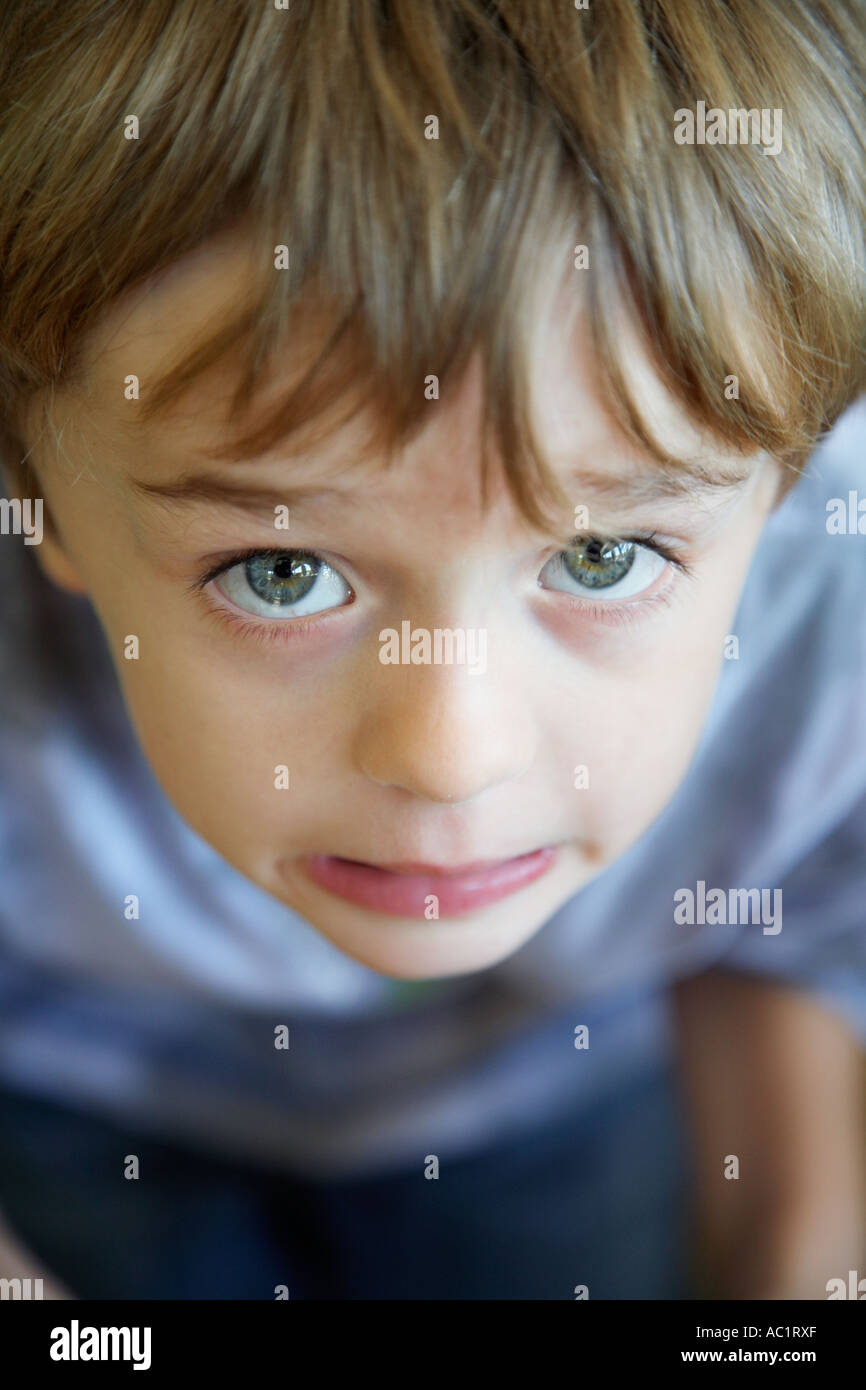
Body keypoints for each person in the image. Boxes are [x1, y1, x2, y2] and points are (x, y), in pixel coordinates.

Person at [0, 0, 864, 1300]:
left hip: (545, 1084)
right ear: (39, 499)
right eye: (282, 572)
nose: (450, 757)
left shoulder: (831, 621)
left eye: (600, 558)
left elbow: (784, 924)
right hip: (85, 1088)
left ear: (781, 491)